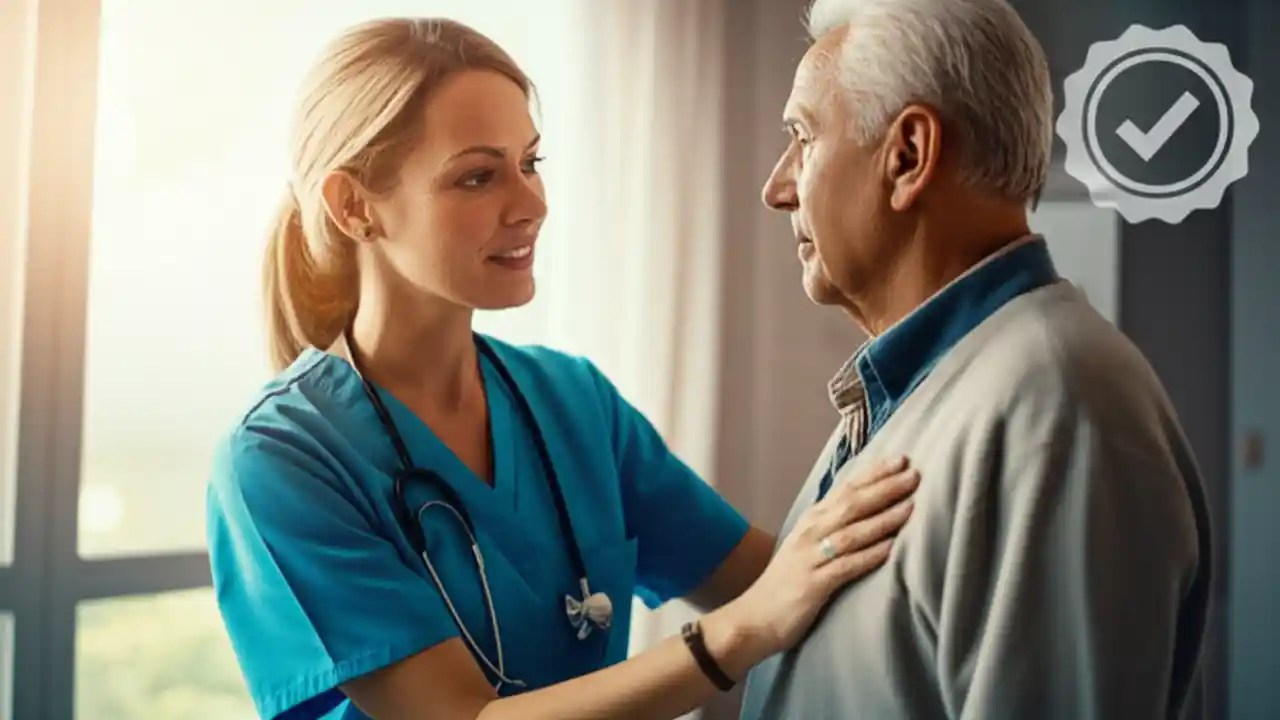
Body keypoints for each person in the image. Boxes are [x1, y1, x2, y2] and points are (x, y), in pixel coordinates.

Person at [206, 17, 921, 720]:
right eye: (478, 177)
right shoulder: (282, 457)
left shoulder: (573, 403)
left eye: (531, 163)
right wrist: (737, 635)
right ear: (354, 206)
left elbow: (782, 580)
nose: (531, 205)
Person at [737, 0, 1215, 718]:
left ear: (907, 156)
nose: (777, 187)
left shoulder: (1058, 405)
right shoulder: (923, 391)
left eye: (802, 138)